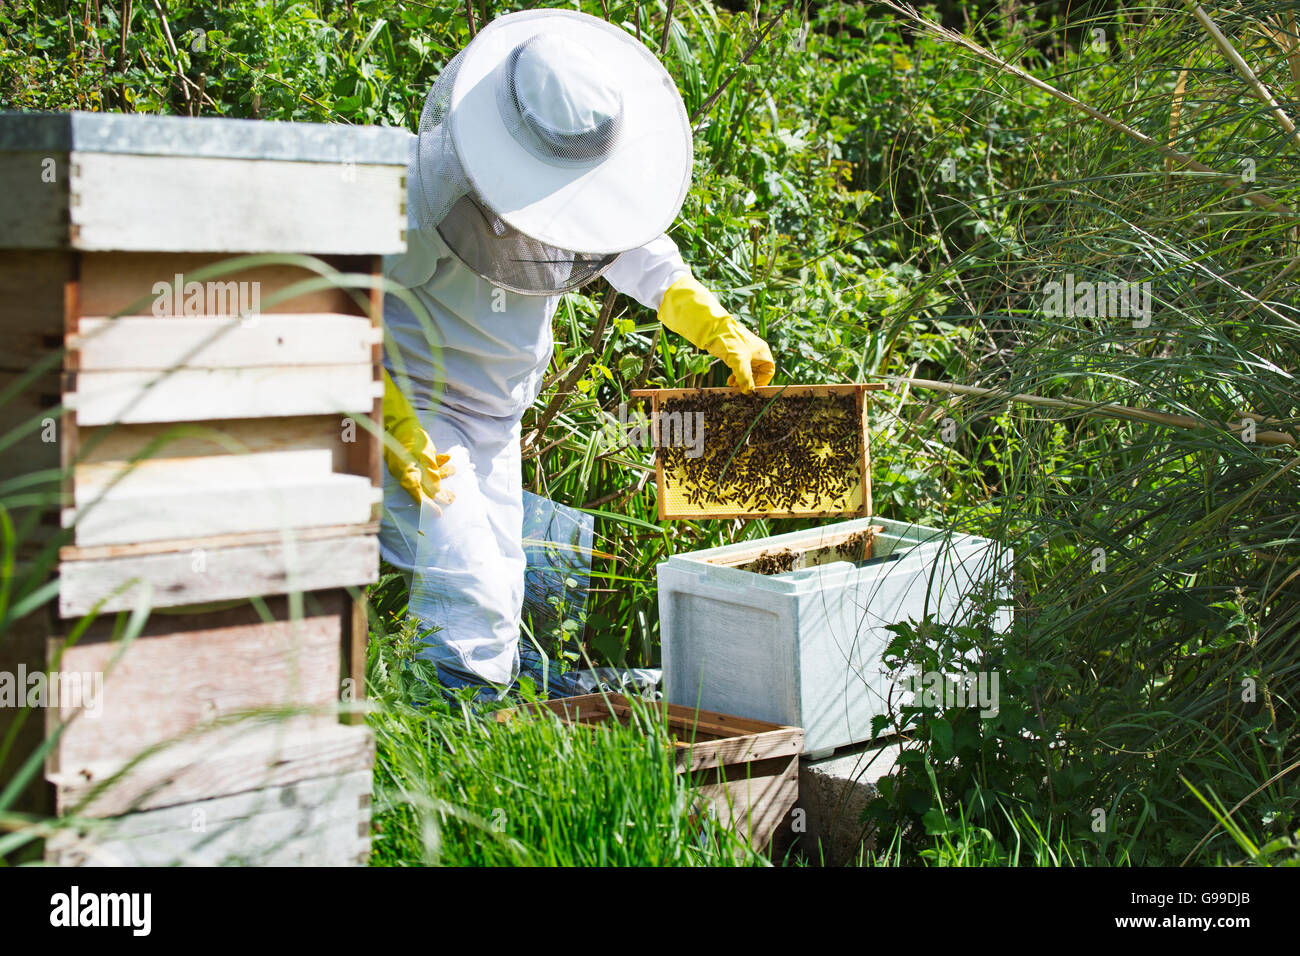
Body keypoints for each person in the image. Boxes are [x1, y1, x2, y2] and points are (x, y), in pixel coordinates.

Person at [378, 8, 775, 697]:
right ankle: (442, 733)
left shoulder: (578, 174)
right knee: (469, 588)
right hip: (421, 411)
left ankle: (472, 730)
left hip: (498, 419)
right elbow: (329, 309)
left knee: (502, 587)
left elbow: (643, 255)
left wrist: (716, 325)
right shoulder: (420, 188)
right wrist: (387, 417)